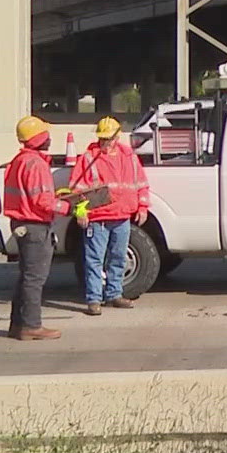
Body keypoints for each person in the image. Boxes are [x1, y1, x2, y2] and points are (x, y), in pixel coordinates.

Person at [68, 116, 150, 315]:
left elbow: (141, 183)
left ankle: (114, 294)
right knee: (94, 260)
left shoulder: (129, 157)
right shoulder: (88, 158)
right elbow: (76, 190)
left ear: (117, 136)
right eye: (102, 138)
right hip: (98, 219)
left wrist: (143, 206)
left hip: (122, 216)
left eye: (108, 139)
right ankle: (94, 299)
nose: (104, 142)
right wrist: (81, 213)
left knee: (118, 257)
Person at [3, 115, 68, 341]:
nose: (50, 137)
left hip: (22, 224)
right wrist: (67, 207)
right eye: (46, 134)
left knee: (25, 277)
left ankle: (18, 325)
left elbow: (31, 195)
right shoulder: (36, 164)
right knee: (34, 279)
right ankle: (31, 326)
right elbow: (42, 201)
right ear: (39, 138)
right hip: (34, 226)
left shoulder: (20, 160)